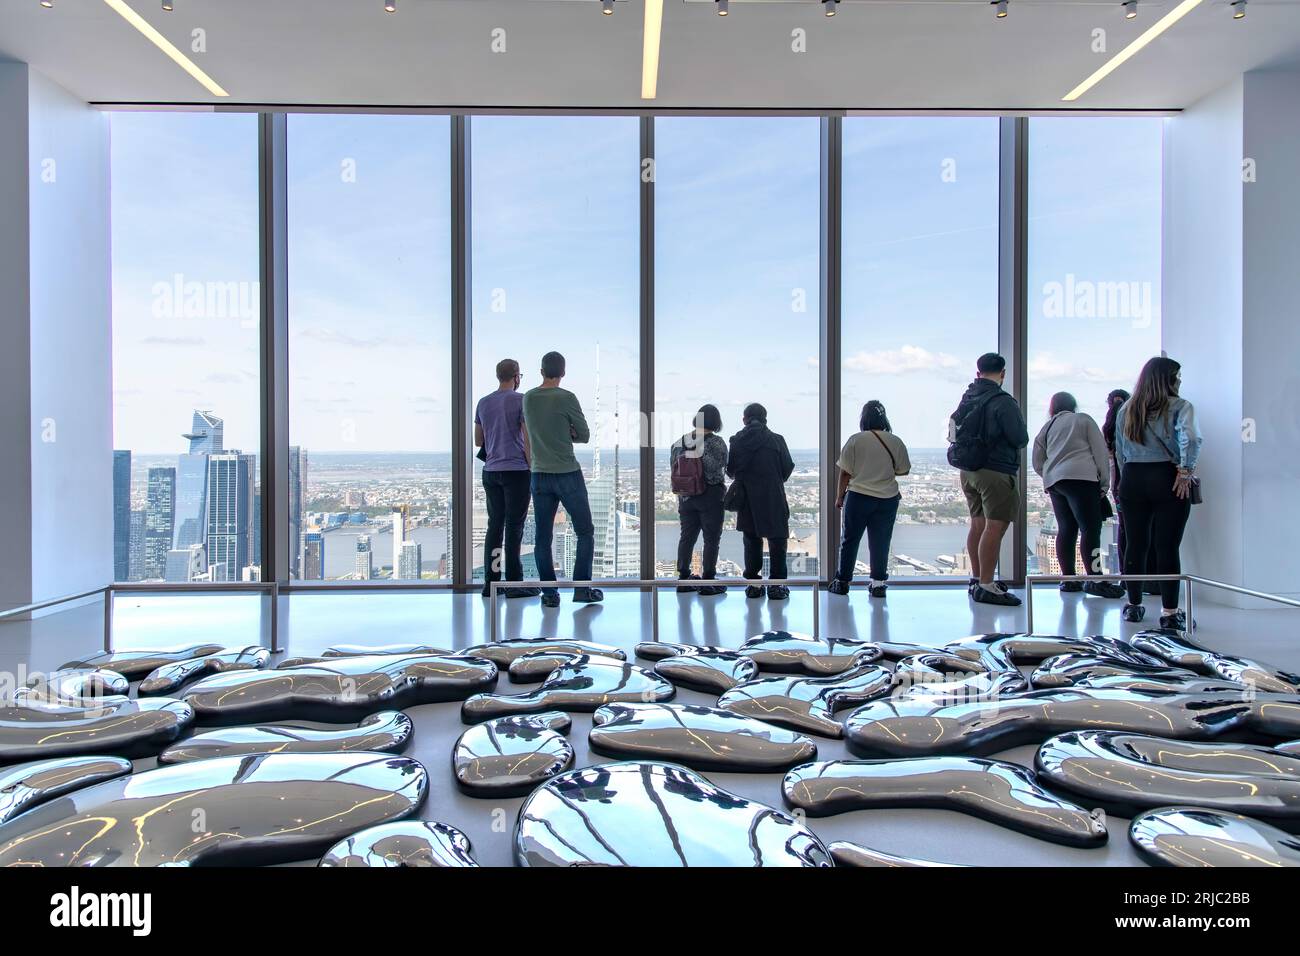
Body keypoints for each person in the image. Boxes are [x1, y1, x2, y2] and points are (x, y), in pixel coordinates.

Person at [1114, 356, 1201, 631]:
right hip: (1167, 477)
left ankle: (1134, 606)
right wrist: (1185, 471)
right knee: (1167, 546)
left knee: (1135, 545)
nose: (1179, 381)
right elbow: (1192, 438)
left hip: (1132, 477)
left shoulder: (1126, 408)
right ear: (1168, 379)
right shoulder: (1180, 406)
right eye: (1177, 376)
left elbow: (1119, 449)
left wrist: (1125, 475)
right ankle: (1170, 612)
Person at [948, 352, 1029, 607]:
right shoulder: (1003, 401)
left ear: (978, 372)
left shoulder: (968, 397)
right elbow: (1019, 438)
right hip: (995, 470)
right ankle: (986, 584)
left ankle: (977, 578)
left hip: (968, 470)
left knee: (978, 525)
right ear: (1002, 373)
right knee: (995, 528)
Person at [522, 351, 600, 607]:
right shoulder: (567, 398)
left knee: (543, 538)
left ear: (541, 371)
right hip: (567, 473)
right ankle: (581, 589)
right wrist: (567, 434)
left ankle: (550, 594)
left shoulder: (529, 398)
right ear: (563, 372)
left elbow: (532, 432)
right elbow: (585, 435)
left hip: (539, 474)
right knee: (585, 532)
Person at [1032, 392, 1126, 599]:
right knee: (1090, 529)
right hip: (1083, 479)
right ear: (1074, 405)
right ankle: (1096, 580)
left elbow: (1037, 460)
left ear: (1052, 408)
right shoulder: (1083, 420)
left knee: (1066, 529)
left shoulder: (1047, 427)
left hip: (1056, 482)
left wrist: (1049, 474)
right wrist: (1104, 483)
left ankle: (1068, 580)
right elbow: (1100, 452)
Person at [830, 401, 910, 599]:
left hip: (858, 497)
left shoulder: (856, 440)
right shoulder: (895, 441)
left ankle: (842, 582)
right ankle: (878, 584)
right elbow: (904, 470)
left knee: (850, 540)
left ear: (863, 418)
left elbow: (845, 473)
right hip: (887, 498)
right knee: (881, 541)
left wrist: (839, 496)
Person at [474, 359, 539, 599]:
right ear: (516, 377)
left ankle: (491, 583)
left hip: (491, 472)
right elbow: (527, 437)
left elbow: (478, 441)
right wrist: (533, 468)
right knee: (514, 528)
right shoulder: (521, 400)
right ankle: (513, 585)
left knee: (495, 527)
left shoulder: (483, 403)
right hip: (516, 471)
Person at [727, 403, 795, 600]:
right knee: (777, 541)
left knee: (751, 540)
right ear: (765, 418)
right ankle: (777, 585)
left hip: (747, 498)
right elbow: (786, 468)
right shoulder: (777, 440)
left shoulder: (737, 441)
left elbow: (731, 471)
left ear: (744, 419)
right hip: (773, 495)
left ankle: (754, 585)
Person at [670, 404, 728, 596]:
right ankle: (708, 580)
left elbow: (674, 468)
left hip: (686, 497)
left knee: (686, 537)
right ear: (716, 422)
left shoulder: (680, 442)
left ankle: (684, 578)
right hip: (710, 496)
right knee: (711, 539)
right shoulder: (717, 443)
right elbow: (718, 470)